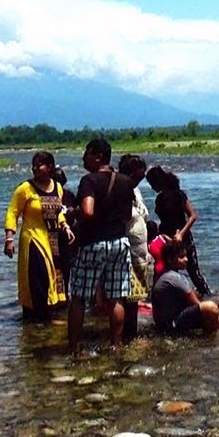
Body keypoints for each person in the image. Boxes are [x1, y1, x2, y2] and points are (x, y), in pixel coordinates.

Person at [67, 139, 141, 354]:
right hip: (119, 243)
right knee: (117, 297)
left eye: (87, 153)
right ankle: (116, 345)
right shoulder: (125, 181)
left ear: (98, 157)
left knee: (79, 297)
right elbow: (127, 215)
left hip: (93, 244)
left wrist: (73, 212)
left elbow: (88, 211)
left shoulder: (89, 181)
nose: (84, 158)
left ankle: (74, 349)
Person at [4, 151, 70, 323]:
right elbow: (12, 212)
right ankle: (37, 317)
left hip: (52, 240)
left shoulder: (57, 187)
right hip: (33, 238)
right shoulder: (25, 188)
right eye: (33, 165)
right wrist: (9, 238)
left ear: (50, 167)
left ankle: (48, 315)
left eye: (39, 165)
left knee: (54, 276)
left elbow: (58, 211)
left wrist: (65, 226)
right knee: (38, 276)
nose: (34, 168)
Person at [147, 166, 210, 297]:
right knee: (168, 271)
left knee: (193, 272)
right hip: (167, 239)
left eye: (152, 183)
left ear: (158, 181)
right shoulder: (159, 199)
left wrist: (181, 233)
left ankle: (207, 296)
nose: (151, 187)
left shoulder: (179, 195)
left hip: (183, 237)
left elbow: (192, 216)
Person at [151, 235, 219, 335]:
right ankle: (213, 335)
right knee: (210, 307)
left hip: (165, 322)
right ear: (170, 259)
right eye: (181, 257)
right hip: (171, 325)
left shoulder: (164, 275)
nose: (186, 259)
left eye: (186, 256)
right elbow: (196, 304)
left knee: (210, 303)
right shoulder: (174, 278)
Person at [117, 154, 152, 288]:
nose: (138, 181)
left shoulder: (136, 191)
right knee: (126, 293)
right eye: (136, 177)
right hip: (126, 254)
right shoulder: (119, 191)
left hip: (141, 253)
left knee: (141, 292)